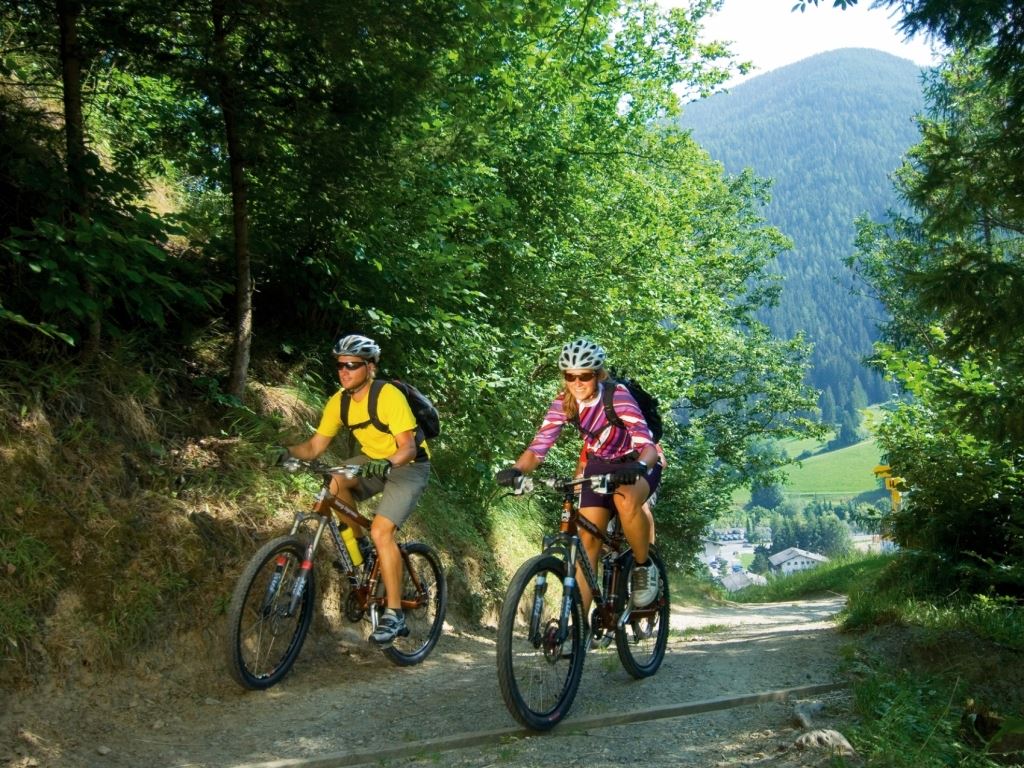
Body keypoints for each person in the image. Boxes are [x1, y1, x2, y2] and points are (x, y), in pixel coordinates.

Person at [279, 334, 431, 646]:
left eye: (352, 364)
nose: (344, 371)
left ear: (370, 367)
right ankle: (358, 548)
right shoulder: (339, 401)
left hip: (408, 463)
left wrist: (388, 462)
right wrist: (288, 452)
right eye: (340, 365)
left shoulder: (388, 396)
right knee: (334, 482)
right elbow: (315, 446)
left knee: (382, 531)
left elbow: (408, 446)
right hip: (370, 461)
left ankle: (394, 613)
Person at [496, 338, 664, 616]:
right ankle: (578, 630)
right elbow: (539, 448)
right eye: (569, 376)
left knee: (625, 501)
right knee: (587, 544)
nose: (577, 383)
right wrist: (517, 470)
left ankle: (644, 567)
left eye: (584, 376)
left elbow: (646, 446)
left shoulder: (617, 395)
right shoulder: (564, 403)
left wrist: (638, 467)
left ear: (598, 374)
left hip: (637, 462)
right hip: (600, 464)